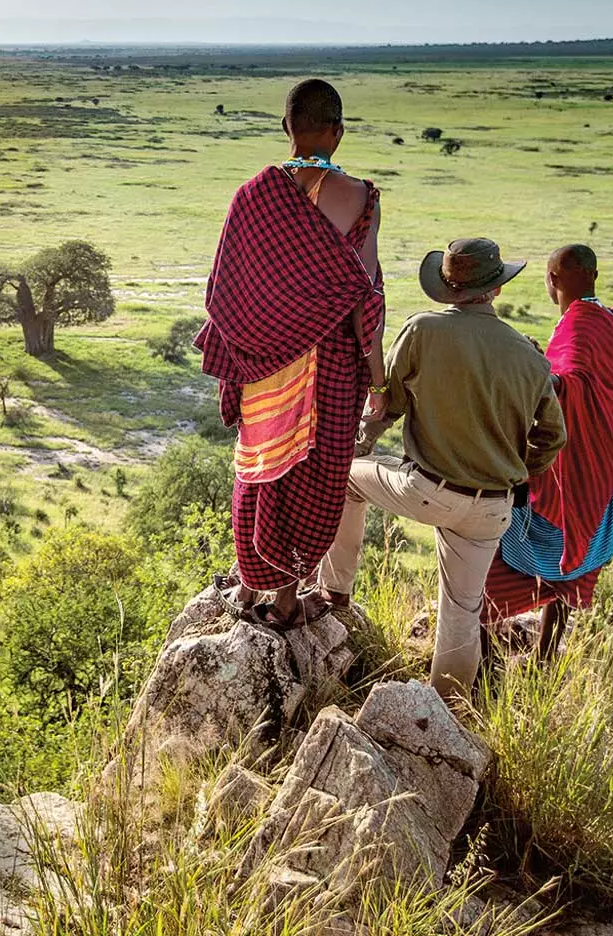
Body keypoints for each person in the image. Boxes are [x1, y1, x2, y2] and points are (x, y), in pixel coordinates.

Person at [310, 238, 567, 704]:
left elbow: (388, 405)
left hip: (427, 489)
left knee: (347, 477)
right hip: (491, 508)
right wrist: (518, 473)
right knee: (462, 613)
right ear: (497, 290)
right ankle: (443, 715)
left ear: (447, 288)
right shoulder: (530, 357)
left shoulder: (422, 330)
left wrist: (358, 444)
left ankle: (334, 592)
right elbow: (553, 436)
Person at [194, 78, 387, 630]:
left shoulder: (252, 195)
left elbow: (223, 295)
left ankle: (253, 586)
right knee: (310, 477)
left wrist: (255, 349)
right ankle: (286, 595)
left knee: (262, 469)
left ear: (286, 129)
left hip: (264, 369)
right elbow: (363, 299)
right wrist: (376, 381)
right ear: (338, 132)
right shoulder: (361, 198)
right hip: (330, 367)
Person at [483, 244, 613, 659]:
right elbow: (608, 392)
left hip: (568, 468)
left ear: (552, 281)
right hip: (600, 468)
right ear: (594, 276)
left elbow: (566, 388)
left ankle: (484, 660)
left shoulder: (577, 326)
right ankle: (546, 654)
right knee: (577, 561)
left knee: (496, 560)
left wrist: (534, 363)